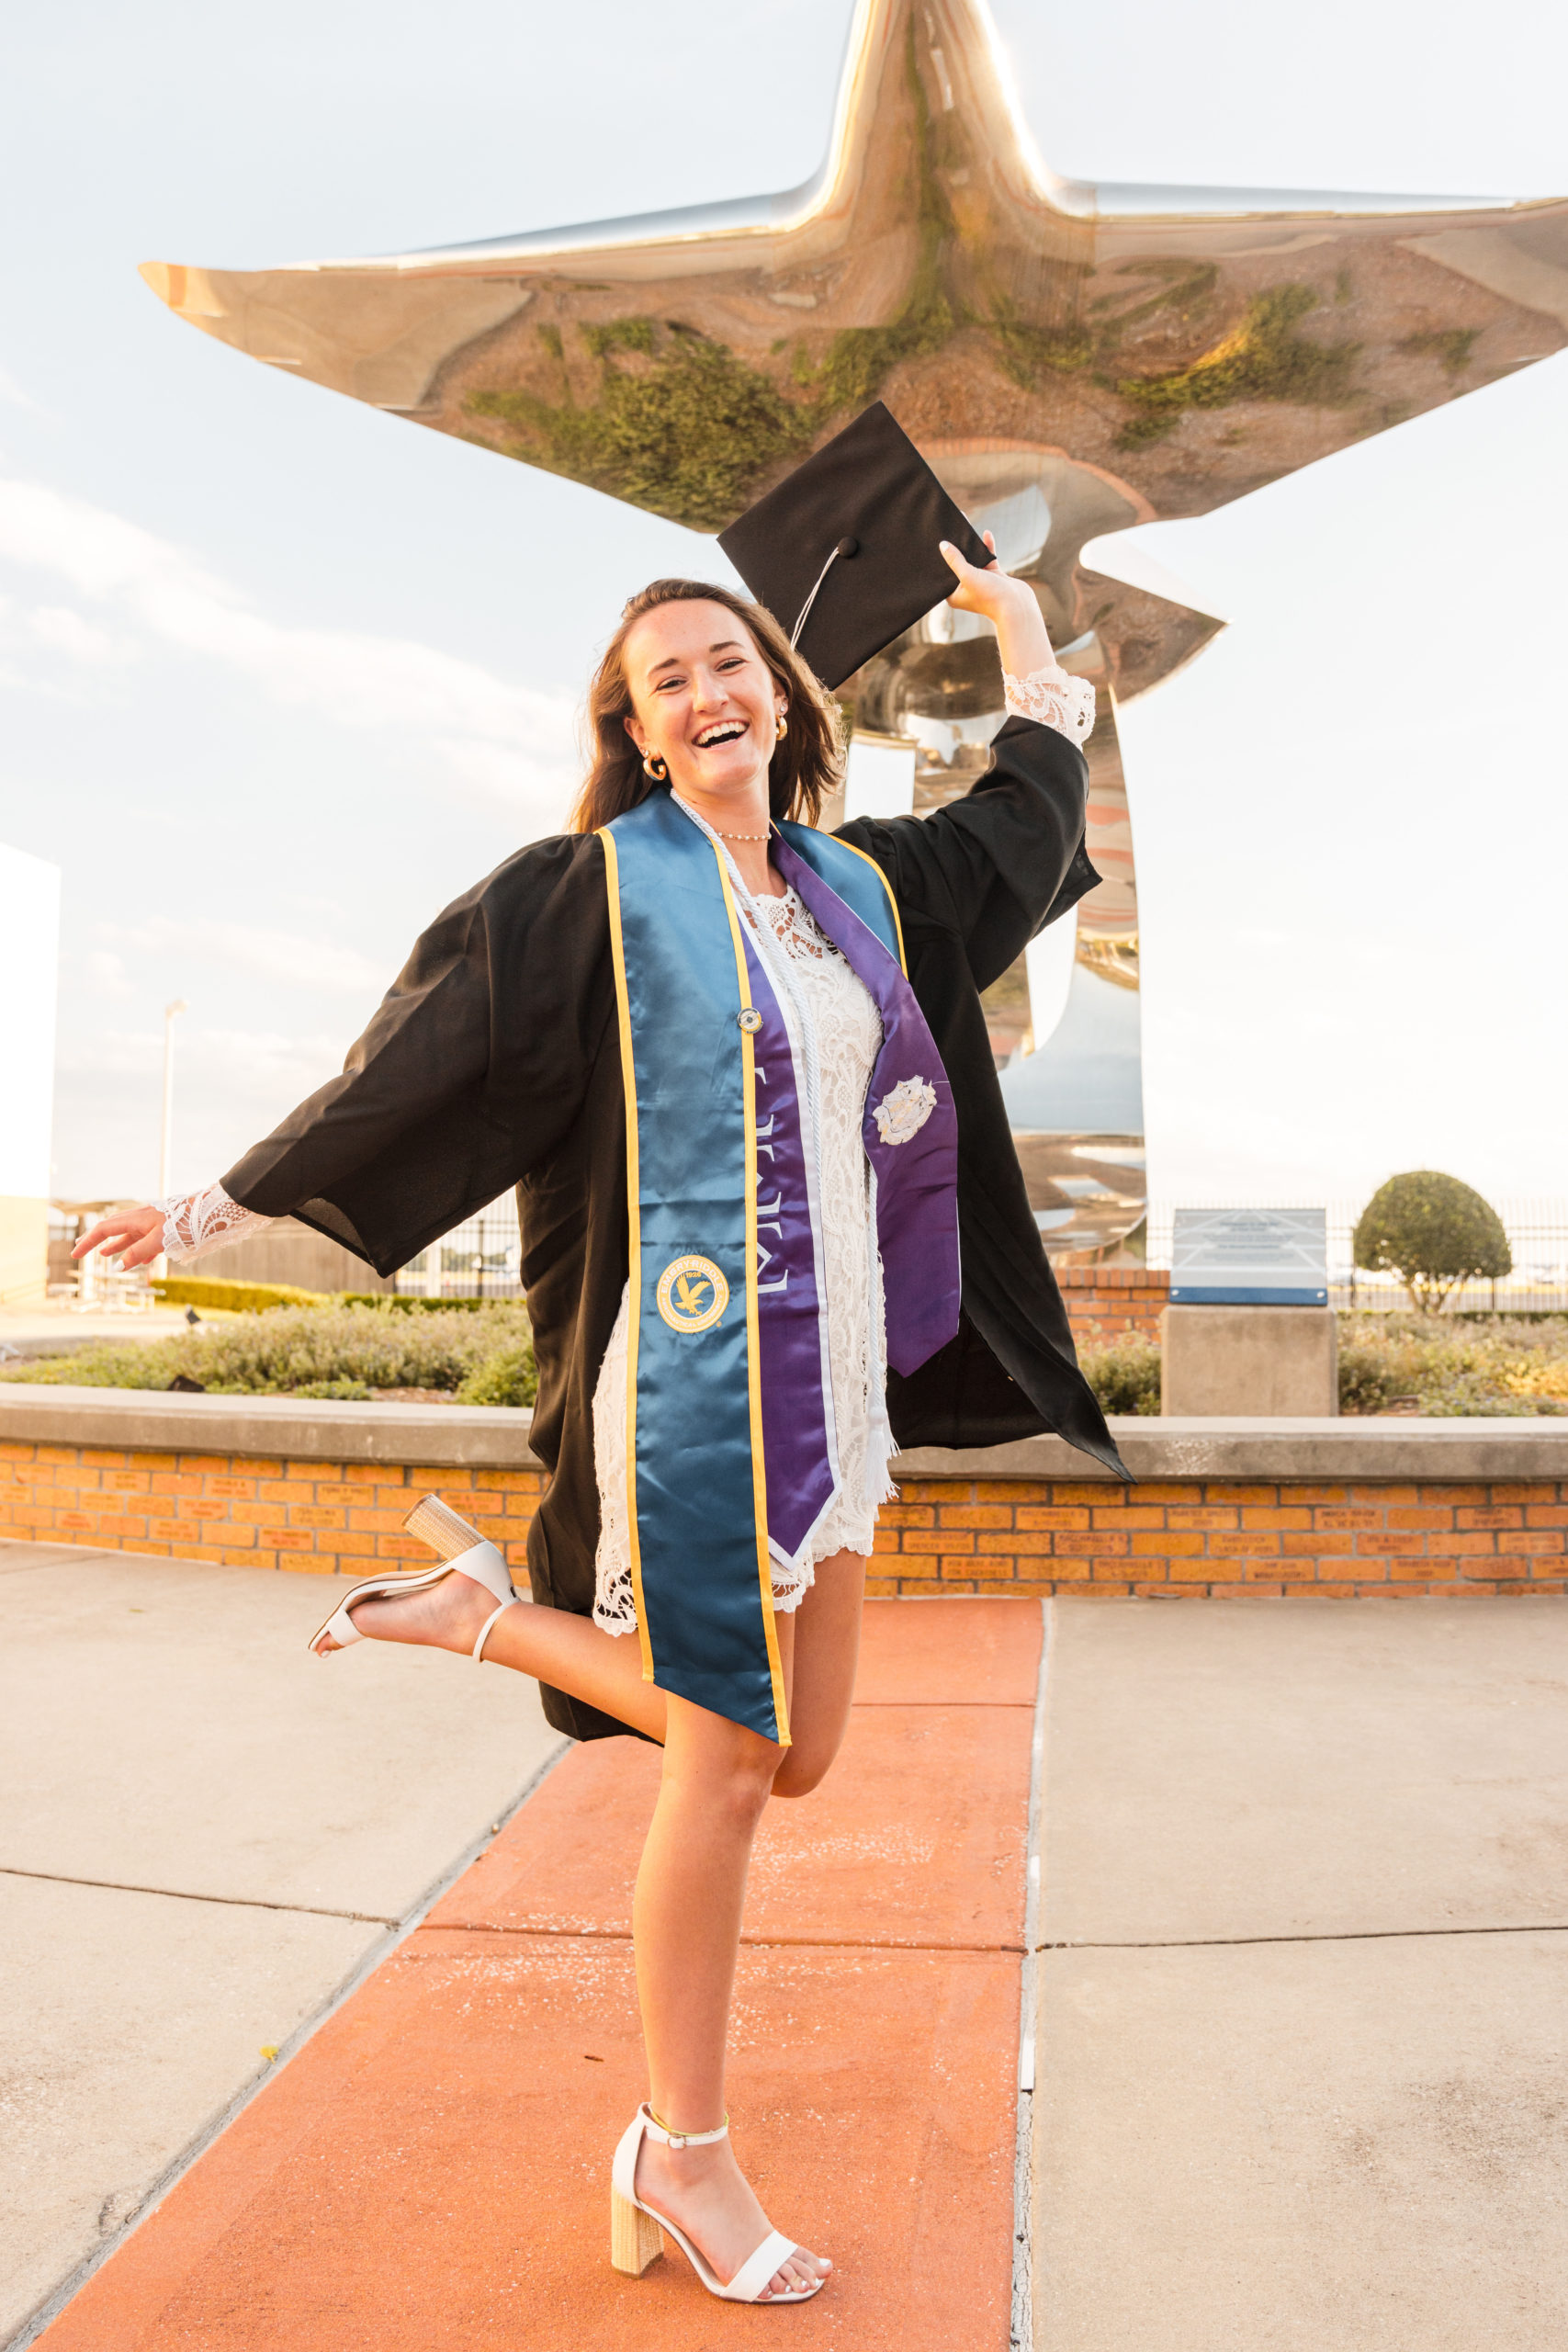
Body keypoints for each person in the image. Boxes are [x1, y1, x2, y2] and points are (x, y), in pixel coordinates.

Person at [75, 535, 1123, 2307]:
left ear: (785, 699)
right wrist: (210, 1209)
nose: (708, 695)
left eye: (731, 664)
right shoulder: (594, 898)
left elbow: (1022, 826)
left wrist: (1024, 636)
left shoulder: (864, 888)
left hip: (840, 1378)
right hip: (697, 1386)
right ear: (639, 733)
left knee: (800, 1754)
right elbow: (417, 1066)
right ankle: (682, 2153)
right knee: (723, 1770)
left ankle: (474, 1615)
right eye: (669, 682)